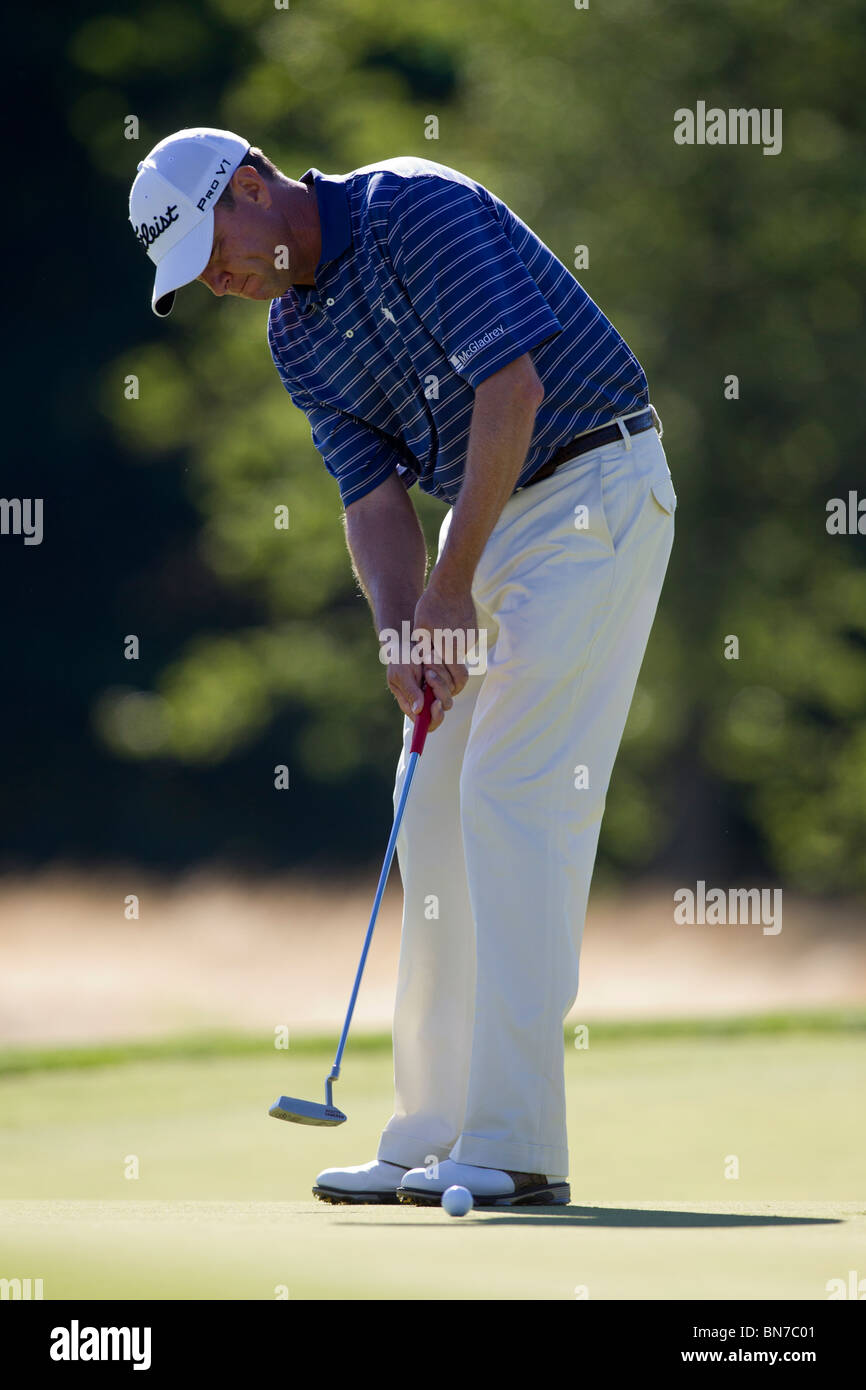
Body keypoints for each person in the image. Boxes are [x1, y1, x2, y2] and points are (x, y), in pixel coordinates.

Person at [129, 127, 676, 1207]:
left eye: (216, 253)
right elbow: (371, 503)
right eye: (198, 279)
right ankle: (430, 1132)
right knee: (427, 796)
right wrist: (401, 628)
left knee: (509, 789)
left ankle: (516, 1144)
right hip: (503, 512)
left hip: (596, 482)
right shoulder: (295, 336)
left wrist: (449, 587)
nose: (221, 284)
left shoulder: (408, 207)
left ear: (249, 187)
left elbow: (510, 391)